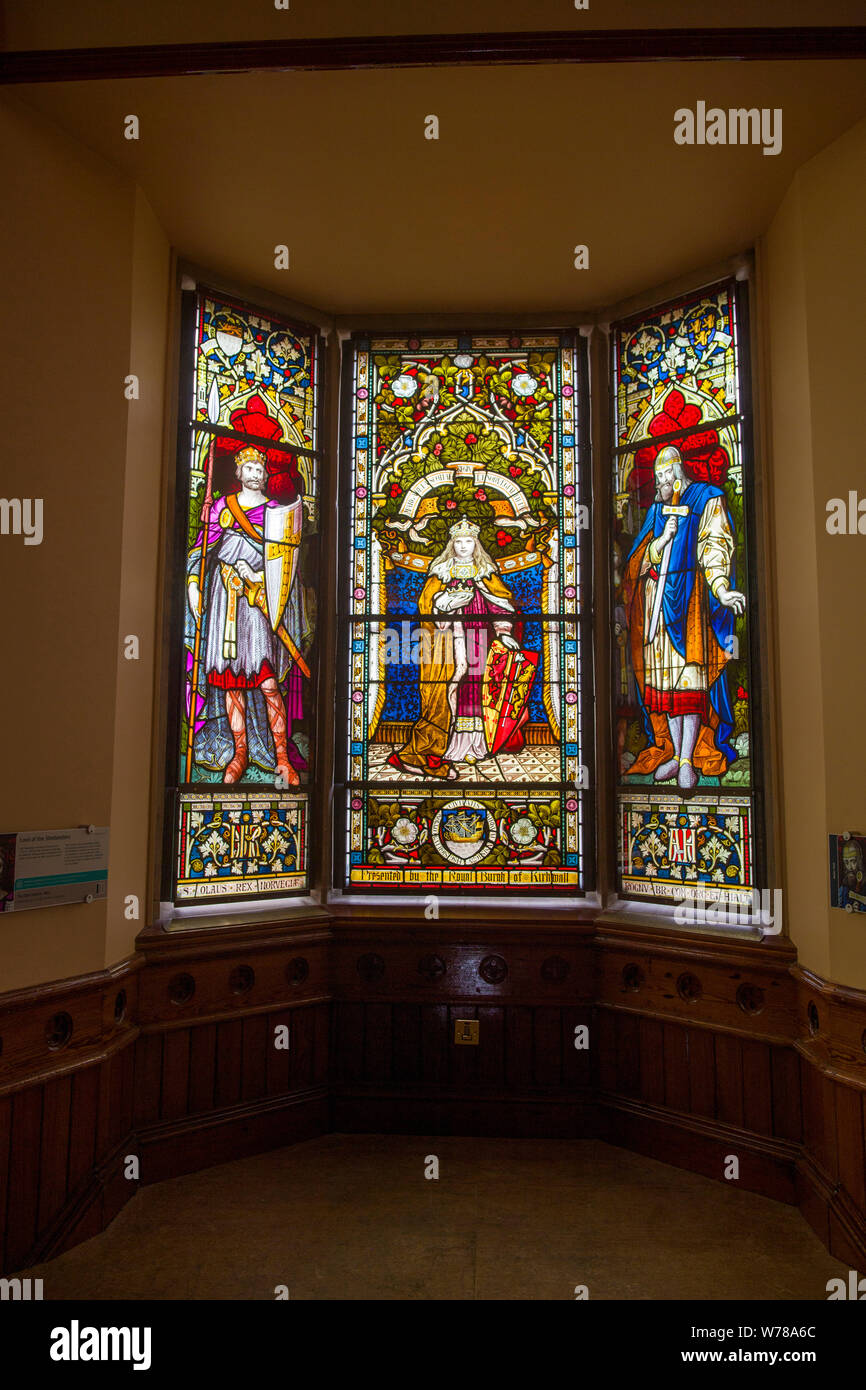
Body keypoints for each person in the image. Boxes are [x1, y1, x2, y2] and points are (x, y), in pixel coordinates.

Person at [622, 445, 745, 791]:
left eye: (664, 476)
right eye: (657, 477)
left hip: (691, 607)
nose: (660, 482)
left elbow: (715, 547)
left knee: (689, 683)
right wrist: (661, 541)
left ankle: (690, 757)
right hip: (655, 607)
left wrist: (721, 589)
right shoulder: (659, 511)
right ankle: (675, 754)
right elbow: (639, 559)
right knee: (664, 688)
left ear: (677, 473)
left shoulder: (707, 499)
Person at [187, 446, 308, 785]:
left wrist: (256, 577)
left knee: (268, 683)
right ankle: (239, 754)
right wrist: (194, 585)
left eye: (260, 467)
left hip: (257, 603)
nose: (256, 472)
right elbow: (202, 550)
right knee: (231, 685)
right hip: (225, 598)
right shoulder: (223, 508)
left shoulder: (276, 513)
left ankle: (282, 758)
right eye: (249, 467)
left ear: (266, 475)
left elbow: (285, 567)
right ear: (238, 474)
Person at [388, 517, 523, 778]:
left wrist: (504, 632)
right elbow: (427, 608)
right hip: (446, 643)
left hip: (480, 638)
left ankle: (475, 744)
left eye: (468, 541)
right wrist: (446, 603)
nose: (463, 546)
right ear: (452, 544)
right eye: (458, 541)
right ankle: (447, 745)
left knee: (477, 687)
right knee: (445, 692)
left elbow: (500, 603)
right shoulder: (441, 572)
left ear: (476, 544)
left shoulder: (485, 573)